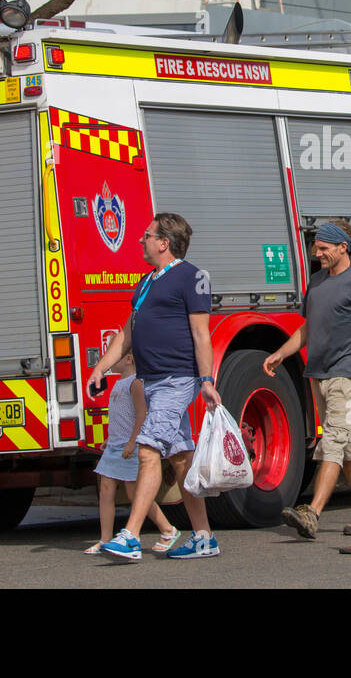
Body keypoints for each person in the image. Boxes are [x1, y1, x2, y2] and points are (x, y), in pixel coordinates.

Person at [86, 213, 222, 560]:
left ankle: (130, 537)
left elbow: (200, 334)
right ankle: (204, 537)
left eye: (146, 236)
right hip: (152, 381)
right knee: (179, 459)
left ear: (164, 242)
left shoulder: (192, 277)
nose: (140, 240)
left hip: (177, 380)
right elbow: (127, 333)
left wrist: (206, 381)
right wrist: (100, 369)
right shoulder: (146, 282)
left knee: (148, 450)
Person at [264, 220, 351, 539]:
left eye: (323, 248)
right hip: (317, 375)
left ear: (342, 248)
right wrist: (281, 352)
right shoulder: (318, 281)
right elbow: (307, 328)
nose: (316, 252)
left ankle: (313, 512)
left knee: (333, 441)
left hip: (345, 375)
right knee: (346, 445)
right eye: (316, 247)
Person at [85, 350, 181, 555]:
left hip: (130, 446)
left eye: (115, 357)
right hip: (114, 447)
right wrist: (110, 439)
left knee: (135, 493)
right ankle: (105, 539)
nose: (109, 360)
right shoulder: (118, 383)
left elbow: (140, 416)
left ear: (129, 359)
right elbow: (120, 416)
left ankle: (167, 529)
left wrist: (131, 443)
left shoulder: (135, 383)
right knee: (106, 490)